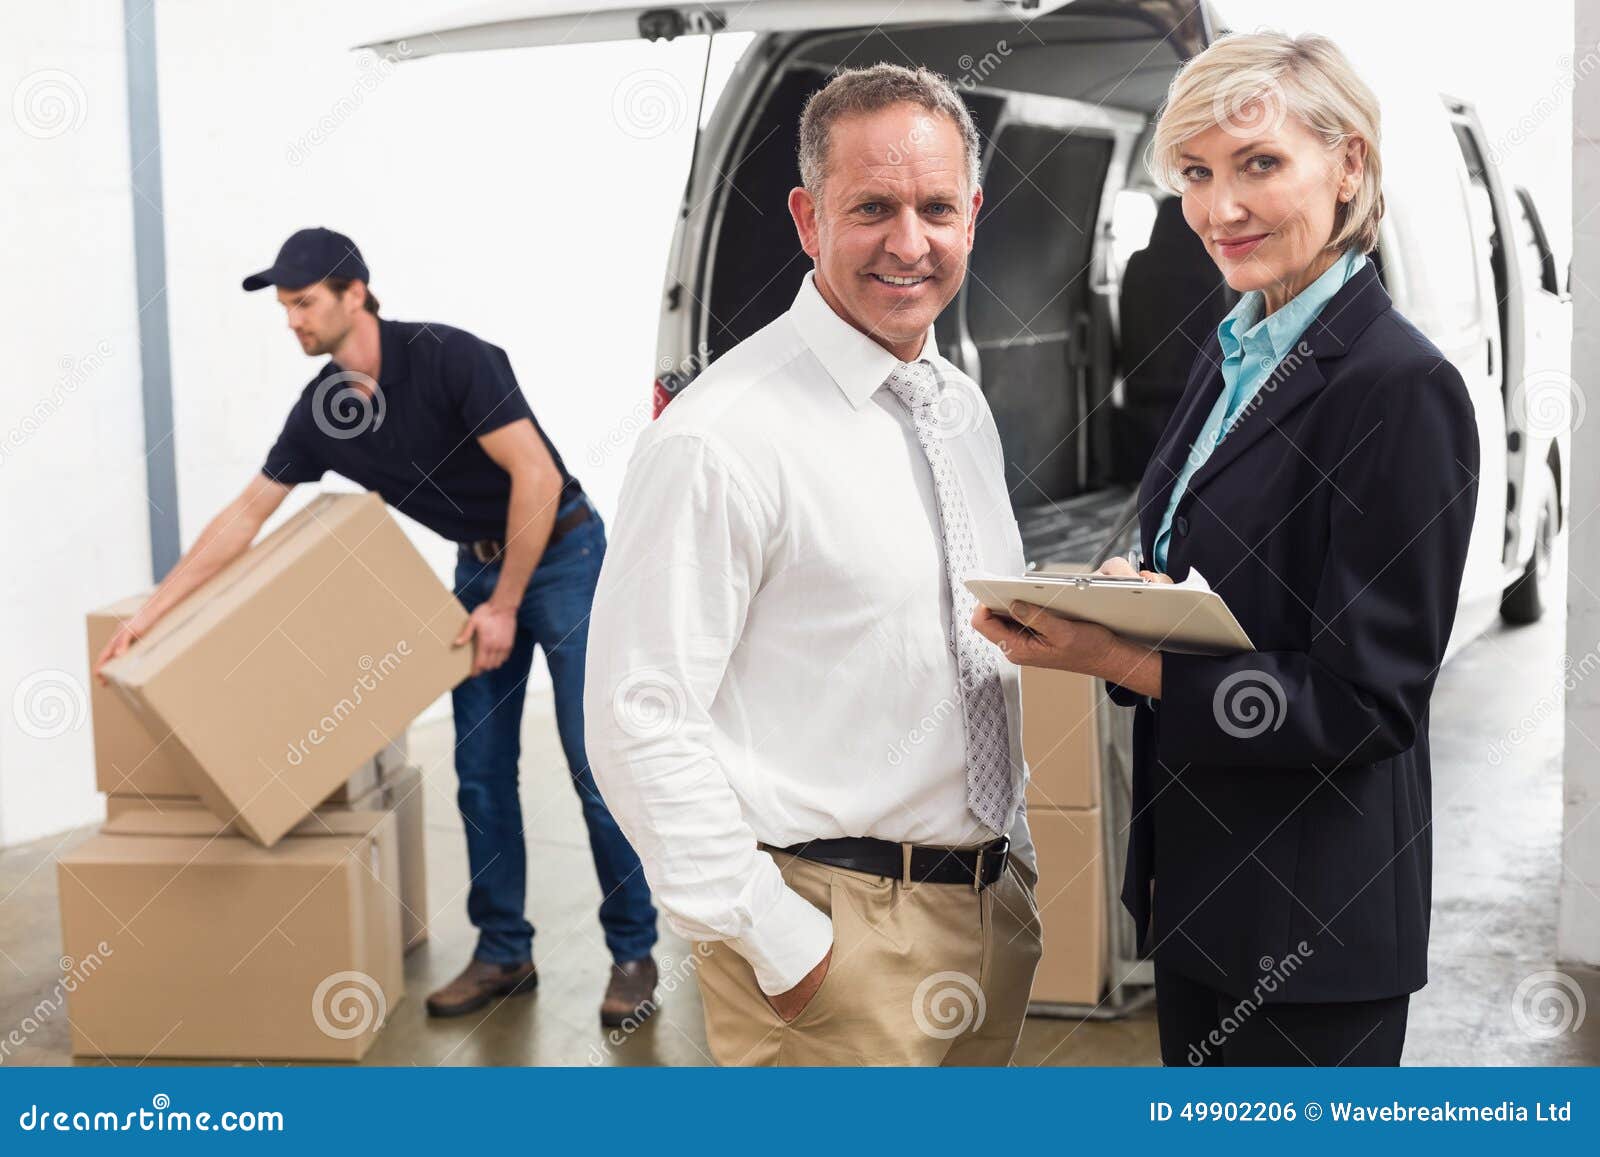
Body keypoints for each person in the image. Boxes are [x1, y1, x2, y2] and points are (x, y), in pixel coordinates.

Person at [974, 33, 1479, 1066]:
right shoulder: (1234, 346)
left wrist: (1117, 657)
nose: (1218, 209)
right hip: (1200, 898)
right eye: (1196, 174)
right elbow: (1232, 584)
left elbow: (1367, 701)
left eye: (1258, 165)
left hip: (1311, 926)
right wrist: (1137, 597)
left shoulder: (1397, 388)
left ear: (1348, 166)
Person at [584, 64, 1041, 1067]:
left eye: (935, 207)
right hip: (829, 939)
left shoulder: (955, 405)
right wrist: (778, 941)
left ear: (973, 213)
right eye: (871, 207)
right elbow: (637, 714)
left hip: (986, 915)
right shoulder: (723, 438)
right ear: (806, 217)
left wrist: (1015, 859)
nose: (908, 242)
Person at [93, 227, 659, 1026]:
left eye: (303, 302)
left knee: (592, 762)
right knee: (481, 773)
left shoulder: (453, 357)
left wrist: (502, 606)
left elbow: (534, 475)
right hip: (478, 563)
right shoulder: (325, 413)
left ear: (354, 292)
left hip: (562, 550)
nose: (292, 319)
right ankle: (504, 950)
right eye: (285, 306)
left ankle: (633, 954)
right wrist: (151, 615)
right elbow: (246, 514)